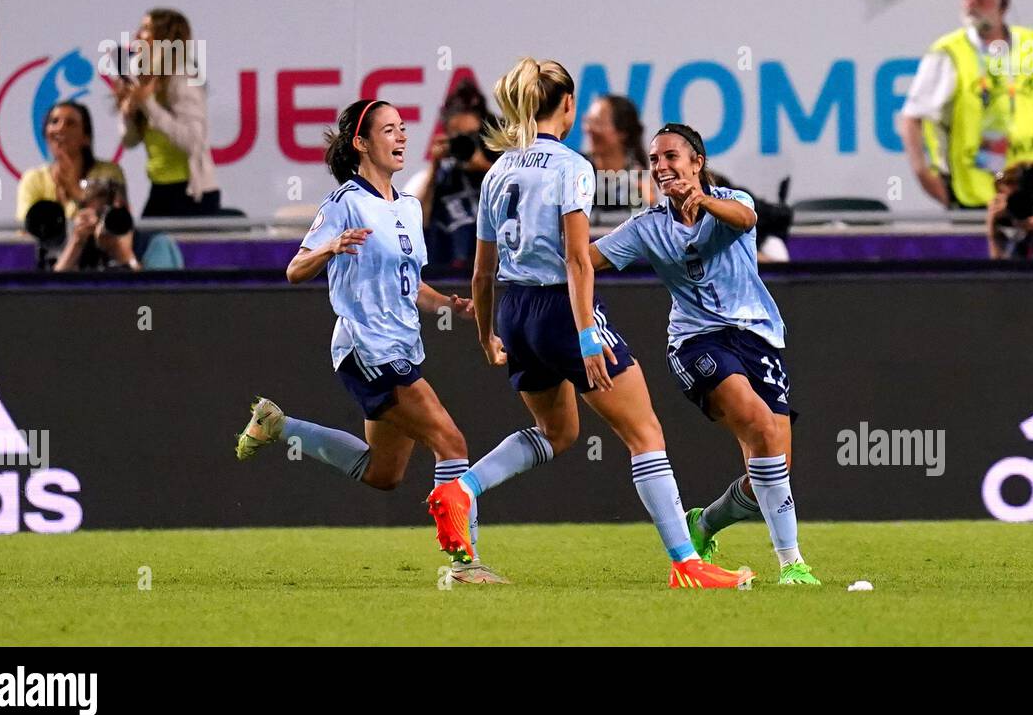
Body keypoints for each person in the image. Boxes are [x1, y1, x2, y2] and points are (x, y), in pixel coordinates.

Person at [426, 58, 754, 588]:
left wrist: (487, 334)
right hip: (561, 310)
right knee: (645, 433)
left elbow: (481, 272)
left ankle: (462, 489)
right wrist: (586, 338)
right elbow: (578, 260)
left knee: (557, 430)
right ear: (568, 106)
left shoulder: (498, 169)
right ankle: (686, 566)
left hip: (515, 311)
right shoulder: (571, 166)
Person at [235, 98, 507, 584]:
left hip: (402, 347)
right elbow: (295, 269)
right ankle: (466, 563)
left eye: (403, 128)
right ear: (361, 143)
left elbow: (411, 283)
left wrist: (449, 304)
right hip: (367, 349)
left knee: (383, 473)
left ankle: (278, 425)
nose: (401, 137)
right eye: (388, 130)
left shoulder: (406, 207)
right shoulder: (344, 203)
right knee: (452, 443)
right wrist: (331, 246)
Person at [589, 122, 820, 584]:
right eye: (654, 159)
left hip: (758, 338)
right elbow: (584, 261)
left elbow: (746, 220)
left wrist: (706, 201)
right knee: (758, 425)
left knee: (769, 470)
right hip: (697, 342)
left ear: (697, 162)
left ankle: (704, 524)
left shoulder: (735, 202)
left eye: (671, 157)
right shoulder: (647, 226)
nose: (661, 167)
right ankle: (792, 563)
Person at [900, 0, 1033, 209]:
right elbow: (912, 118)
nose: (970, 3)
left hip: (1032, 190)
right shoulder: (948, 51)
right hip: (973, 193)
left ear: (1003, 4)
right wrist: (923, 173)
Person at [16, 101, 182, 272]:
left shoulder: (109, 172)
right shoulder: (33, 179)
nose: (60, 129)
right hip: (61, 256)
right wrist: (76, 240)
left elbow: (152, 293)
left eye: (71, 123)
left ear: (86, 137)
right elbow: (27, 233)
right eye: (54, 122)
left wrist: (123, 254)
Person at [114, 8, 222, 217]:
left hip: (191, 194)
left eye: (146, 29)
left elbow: (193, 141)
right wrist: (128, 114)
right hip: (160, 188)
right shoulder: (143, 77)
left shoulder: (183, 78)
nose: (137, 36)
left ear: (166, 37)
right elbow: (130, 141)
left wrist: (149, 105)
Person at [411, 79, 498, 269]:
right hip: (448, 275)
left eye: (471, 136)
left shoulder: (502, 169)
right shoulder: (432, 178)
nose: (463, 142)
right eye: (457, 136)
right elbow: (419, 224)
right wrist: (434, 168)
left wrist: (485, 167)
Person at [582, 93, 655, 210]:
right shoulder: (576, 169)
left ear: (622, 132)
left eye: (598, 123)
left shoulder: (638, 179)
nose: (589, 129)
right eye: (588, 121)